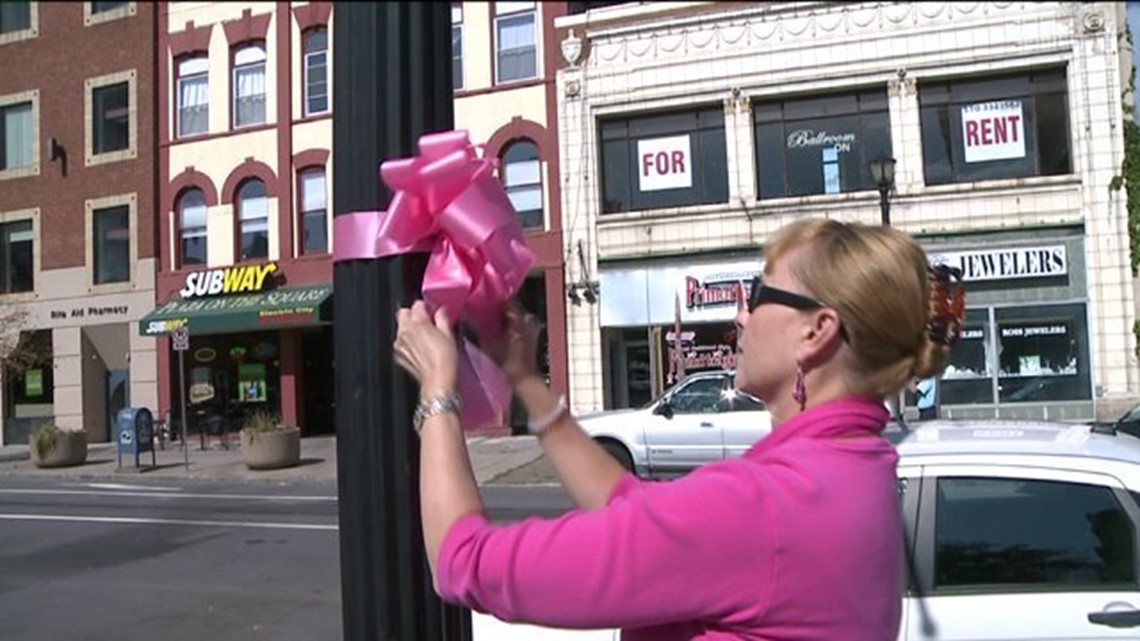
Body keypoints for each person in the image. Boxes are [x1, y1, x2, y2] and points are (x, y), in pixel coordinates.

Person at [393, 217, 964, 640]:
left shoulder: (764, 507)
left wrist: (438, 392)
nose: (741, 314)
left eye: (760, 294)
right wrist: (526, 380)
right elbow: (636, 508)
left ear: (816, 332)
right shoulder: (853, 469)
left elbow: (463, 561)